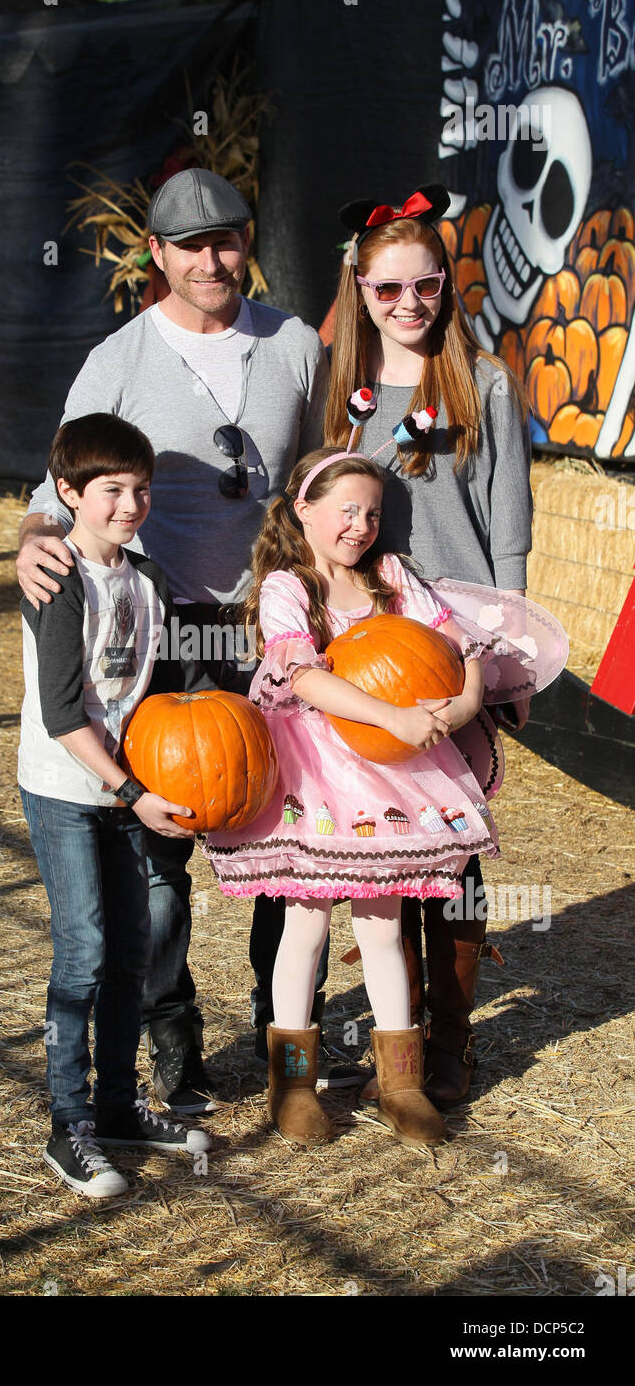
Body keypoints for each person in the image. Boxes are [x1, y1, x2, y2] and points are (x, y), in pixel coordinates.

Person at [16, 167, 339, 1112]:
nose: (212, 259)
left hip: (268, 631)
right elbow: (56, 488)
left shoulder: (291, 345)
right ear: (155, 254)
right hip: (157, 638)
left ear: (248, 240)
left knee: (290, 851)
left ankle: (293, 1060)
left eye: (228, 238)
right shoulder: (119, 356)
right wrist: (25, 553)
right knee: (159, 862)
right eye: (189, 244)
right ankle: (176, 1053)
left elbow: (316, 475)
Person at [200, 424, 564, 1148]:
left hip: (394, 777)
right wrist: (395, 717)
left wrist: (463, 704)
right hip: (316, 775)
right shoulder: (287, 587)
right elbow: (302, 675)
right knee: (305, 925)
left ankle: (400, 1080)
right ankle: (293, 1081)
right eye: (346, 510)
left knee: (384, 924)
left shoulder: (392, 577)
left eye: (371, 513)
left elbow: (459, 644)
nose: (360, 526)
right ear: (303, 511)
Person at [324, 183, 535, 1108]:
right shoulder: (340, 391)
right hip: (365, 647)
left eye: (426, 287)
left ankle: (450, 1042)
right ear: (360, 289)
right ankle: (395, 1036)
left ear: (447, 286)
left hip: (458, 643)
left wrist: (510, 648)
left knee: (455, 846)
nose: (409, 305)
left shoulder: (482, 381)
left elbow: (509, 524)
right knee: (382, 843)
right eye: (388, 290)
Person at [19, 412, 211, 1197]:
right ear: (67, 493)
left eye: (140, 489)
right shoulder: (57, 576)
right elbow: (66, 714)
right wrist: (137, 794)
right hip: (69, 789)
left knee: (132, 951)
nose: (129, 504)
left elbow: (157, 692)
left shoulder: (146, 577)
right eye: (110, 491)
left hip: (127, 791)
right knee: (85, 950)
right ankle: (69, 1128)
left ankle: (118, 1106)